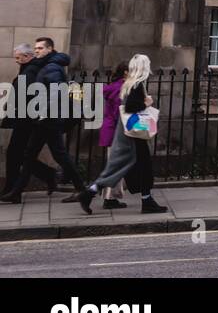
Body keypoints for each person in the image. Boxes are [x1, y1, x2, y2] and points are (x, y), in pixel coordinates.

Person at [1, 37, 87, 204]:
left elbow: (56, 93)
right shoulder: (45, 66)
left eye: (40, 48)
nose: (37, 51)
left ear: (49, 49)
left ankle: (81, 189)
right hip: (41, 120)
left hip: (48, 119)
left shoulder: (52, 67)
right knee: (28, 155)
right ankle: (16, 192)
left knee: (60, 156)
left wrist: (42, 112)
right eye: (36, 48)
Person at [77, 54, 165, 214]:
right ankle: (147, 202)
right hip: (132, 134)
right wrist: (146, 103)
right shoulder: (137, 84)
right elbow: (131, 106)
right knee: (140, 167)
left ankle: (89, 193)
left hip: (125, 132)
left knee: (118, 167)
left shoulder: (129, 83)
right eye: (148, 64)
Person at [1, 45, 57, 198]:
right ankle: (47, 175)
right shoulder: (29, 69)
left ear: (27, 56)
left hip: (26, 121)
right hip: (25, 120)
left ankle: (11, 190)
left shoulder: (31, 71)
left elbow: (29, 96)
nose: (17, 61)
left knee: (15, 154)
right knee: (21, 154)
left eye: (18, 57)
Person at [96, 62, 130, 208]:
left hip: (112, 130)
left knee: (116, 165)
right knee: (115, 166)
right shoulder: (121, 88)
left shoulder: (116, 86)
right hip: (116, 131)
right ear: (126, 73)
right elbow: (119, 112)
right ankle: (108, 198)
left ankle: (110, 197)